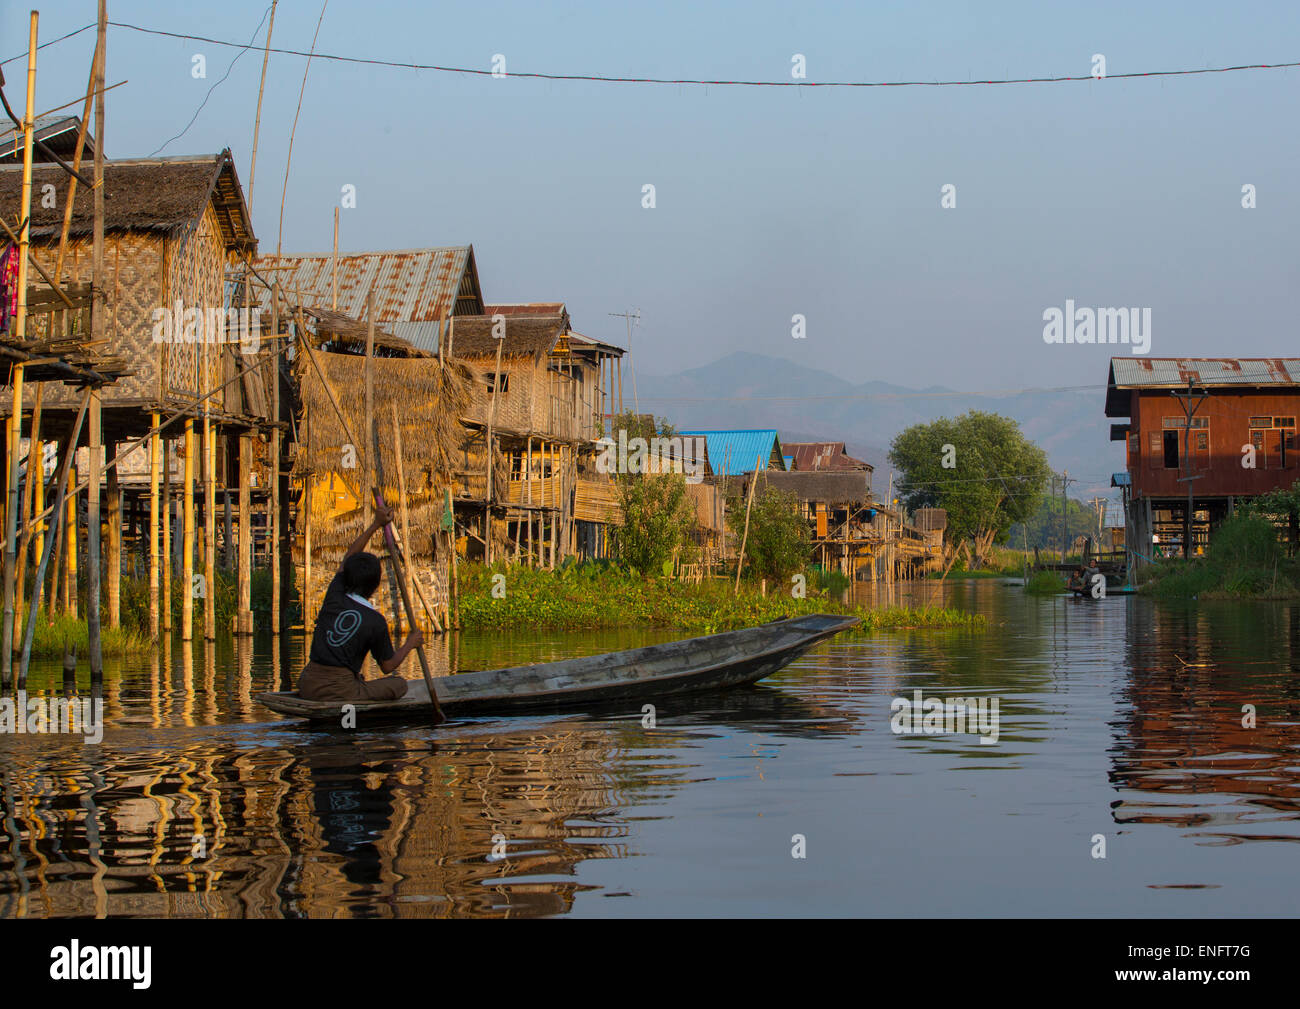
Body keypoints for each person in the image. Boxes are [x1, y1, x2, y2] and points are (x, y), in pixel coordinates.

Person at [297, 502, 423, 702]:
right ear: (375, 586)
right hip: (339, 690)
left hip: (307, 683)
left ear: (347, 576)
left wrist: (375, 525)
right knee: (399, 684)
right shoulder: (375, 621)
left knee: (359, 678)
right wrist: (410, 643)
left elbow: (349, 557)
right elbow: (387, 666)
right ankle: (354, 687)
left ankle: (355, 682)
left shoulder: (335, 595)